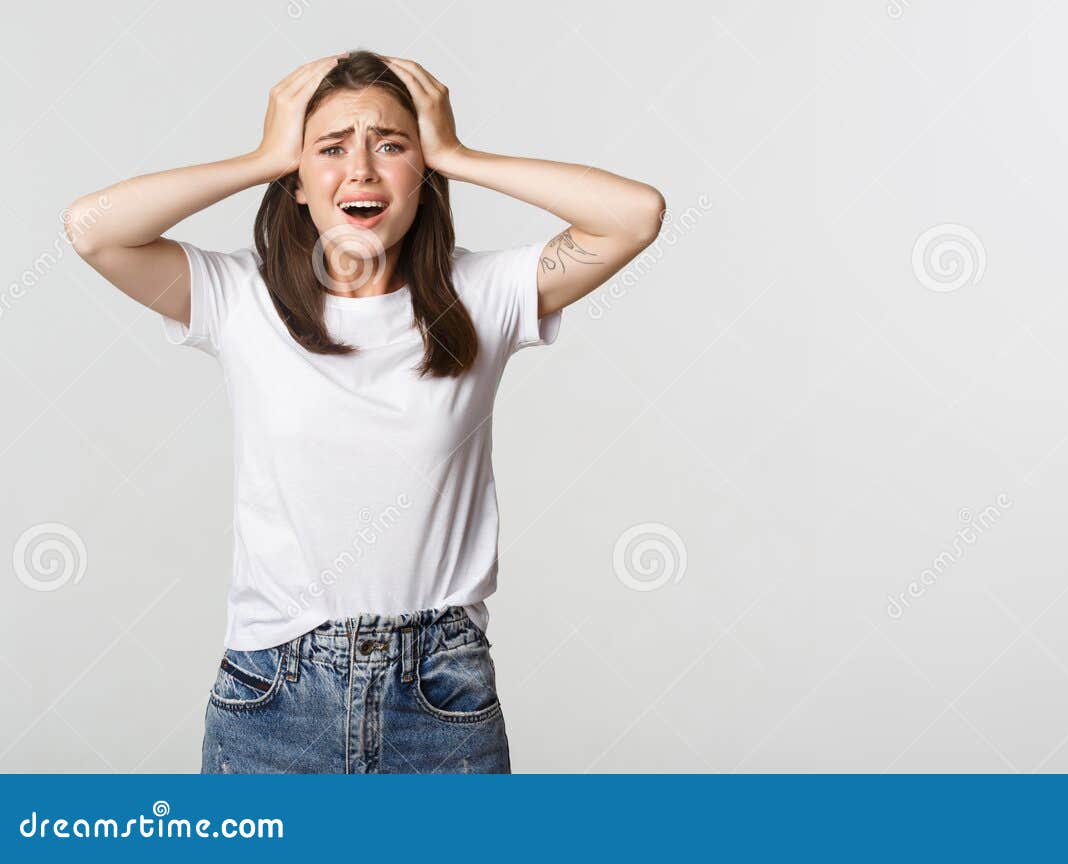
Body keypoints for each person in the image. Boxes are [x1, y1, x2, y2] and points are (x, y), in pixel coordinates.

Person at [61, 51, 666, 773]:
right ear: (297, 181)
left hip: (442, 694)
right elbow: (92, 228)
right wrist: (263, 156)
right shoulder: (237, 299)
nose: (362, 170)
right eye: (331, 149)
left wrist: (457, 152)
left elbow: (635, 216)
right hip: (274, 694)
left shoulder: (486, 293)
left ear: (423, 176)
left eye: (389, 145)